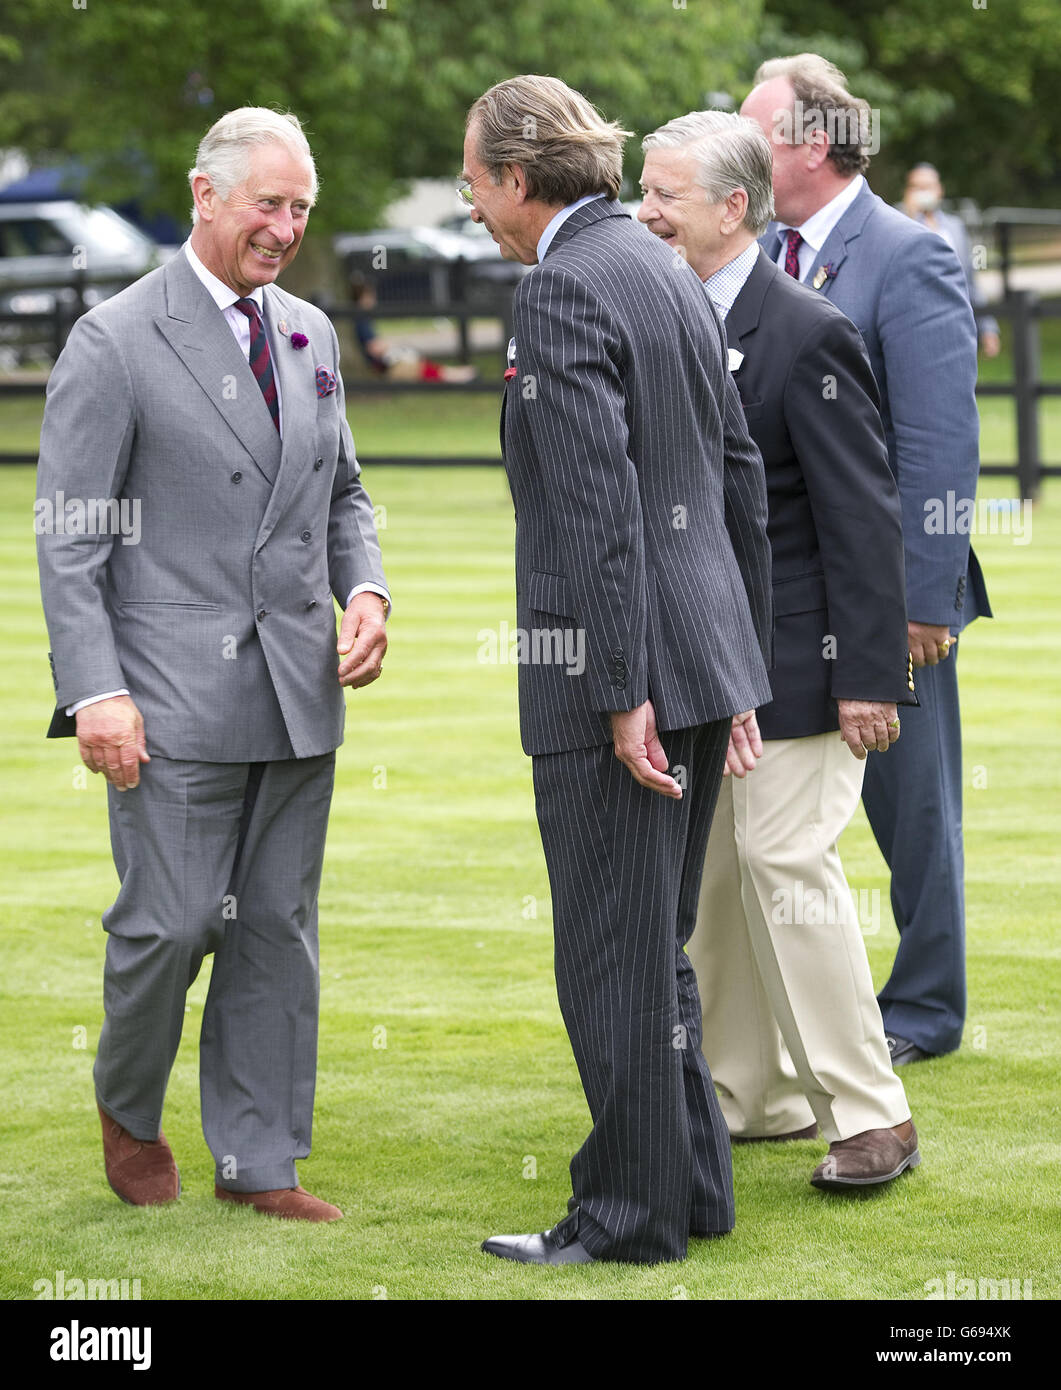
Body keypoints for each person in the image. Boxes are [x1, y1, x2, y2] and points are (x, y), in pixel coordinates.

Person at [35, 107, 390, 1221]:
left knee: (274, 931)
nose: (284, 228)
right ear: (204, 194)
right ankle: (128, 1109)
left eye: (300, 209)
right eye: (266, 204)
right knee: (173, 924)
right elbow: (71, 536)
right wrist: (96, 692)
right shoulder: (114, 339)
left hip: (299, 694)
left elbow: (344, 494)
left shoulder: (311, 333)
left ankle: (260, 1161)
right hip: (166, 698)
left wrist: (367, 590)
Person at [462, 75, 772, 1265]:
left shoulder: (562, 285)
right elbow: (735, 474)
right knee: (650, 948)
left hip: (620, 678)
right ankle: (688, 1191)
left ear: (515, 177)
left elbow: (597, 511)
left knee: (607, 954)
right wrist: (729, 668)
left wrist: (620, 691)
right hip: (693, 658)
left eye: (474, 180)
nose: (472, 202)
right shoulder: (662, 264)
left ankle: (628, 1217)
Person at [639, 109, 920, 1191]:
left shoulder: (806, 332)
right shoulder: (660, 313)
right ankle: (750, 1100)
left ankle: (873, 1113)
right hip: (699, 669)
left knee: (784, 866)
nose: (642, 212)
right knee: (715, 880)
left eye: (662, 194)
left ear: (732, 208)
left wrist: (868, 679)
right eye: (641, 190)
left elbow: (863, 517)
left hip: (803, 668)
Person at [741, 55, 991, 1064]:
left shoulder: (906, 254)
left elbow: (939, 444)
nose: (738, 151)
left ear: (811, 145)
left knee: (911, 811)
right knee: (780, 818)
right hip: (785, 588)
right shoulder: (762, 251)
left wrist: (922, 601)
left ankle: (923, 1008)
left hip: (888, 598)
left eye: (753, 134)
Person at [898, 163, 1001, 357]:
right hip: (915, 329)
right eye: (917, 187)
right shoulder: (898, 223)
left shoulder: (955, 227)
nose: (923, 192)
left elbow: (970, 281)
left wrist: (988, 327)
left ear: (939, 190)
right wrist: (911, 216)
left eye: (928, 186)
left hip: (956, 327)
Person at [349, 271, 477, 383]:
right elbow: (373, 348)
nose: (374, 300)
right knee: (419, 367)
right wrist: (389, 345)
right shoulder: (361, 321)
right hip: (385, 366)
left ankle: (456, 374)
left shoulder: (362, 319)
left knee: (420, 364)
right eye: (371, 296)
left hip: (386, 363)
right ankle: (456, 376)